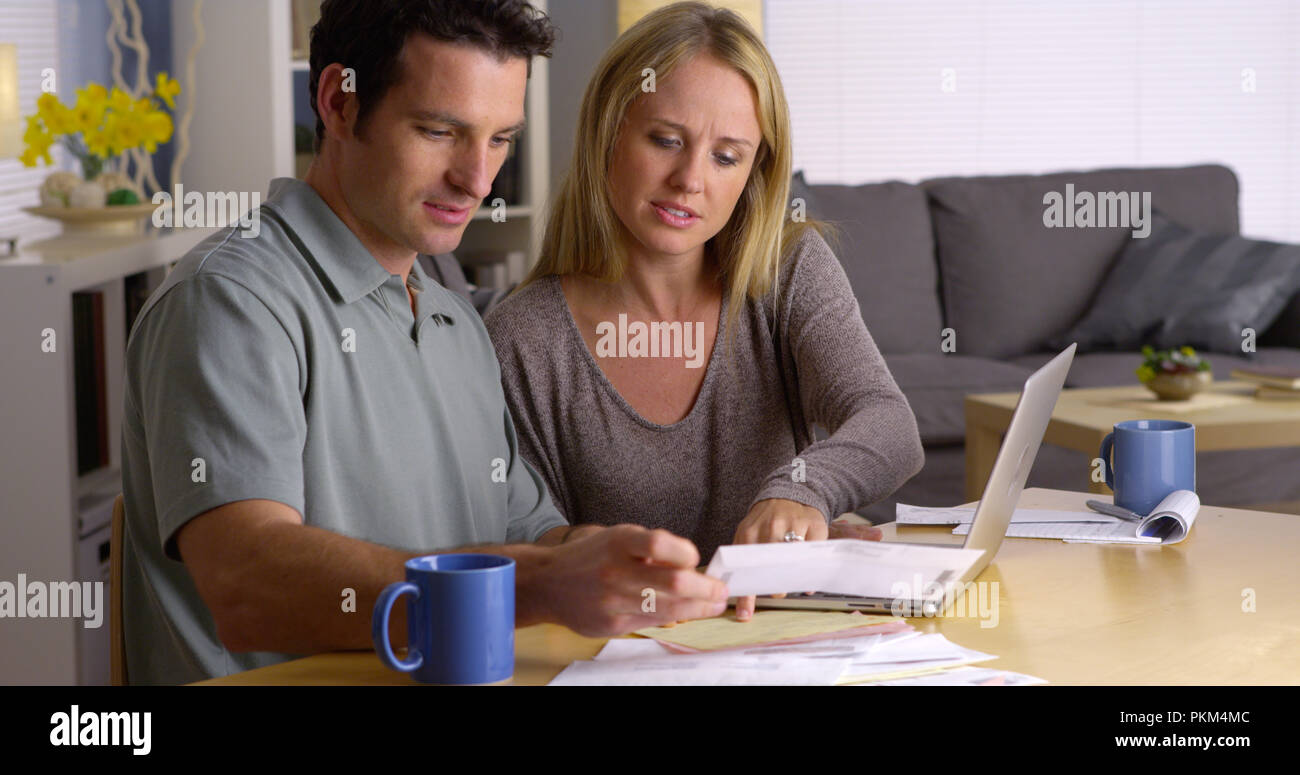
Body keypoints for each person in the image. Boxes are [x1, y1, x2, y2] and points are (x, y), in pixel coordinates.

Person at [120, 0, 727, 685]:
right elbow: (245, 580)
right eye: (441, 130)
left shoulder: (454, 320)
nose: (478, 178)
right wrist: (543, 584)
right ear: (339, 104)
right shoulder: (231, 301)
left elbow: (534, 535)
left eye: (501, 139)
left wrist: (643, 567)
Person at [485, 2, 925, 620]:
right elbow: (544, 552)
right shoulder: (521, 339)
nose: (691, 179)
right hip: (628, 659)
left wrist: (808, 498)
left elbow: (888, 422)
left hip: (780, 645)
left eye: (727, 156)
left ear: (753, 173)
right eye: (665, 140)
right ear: (608, 132)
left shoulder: (788, 269)